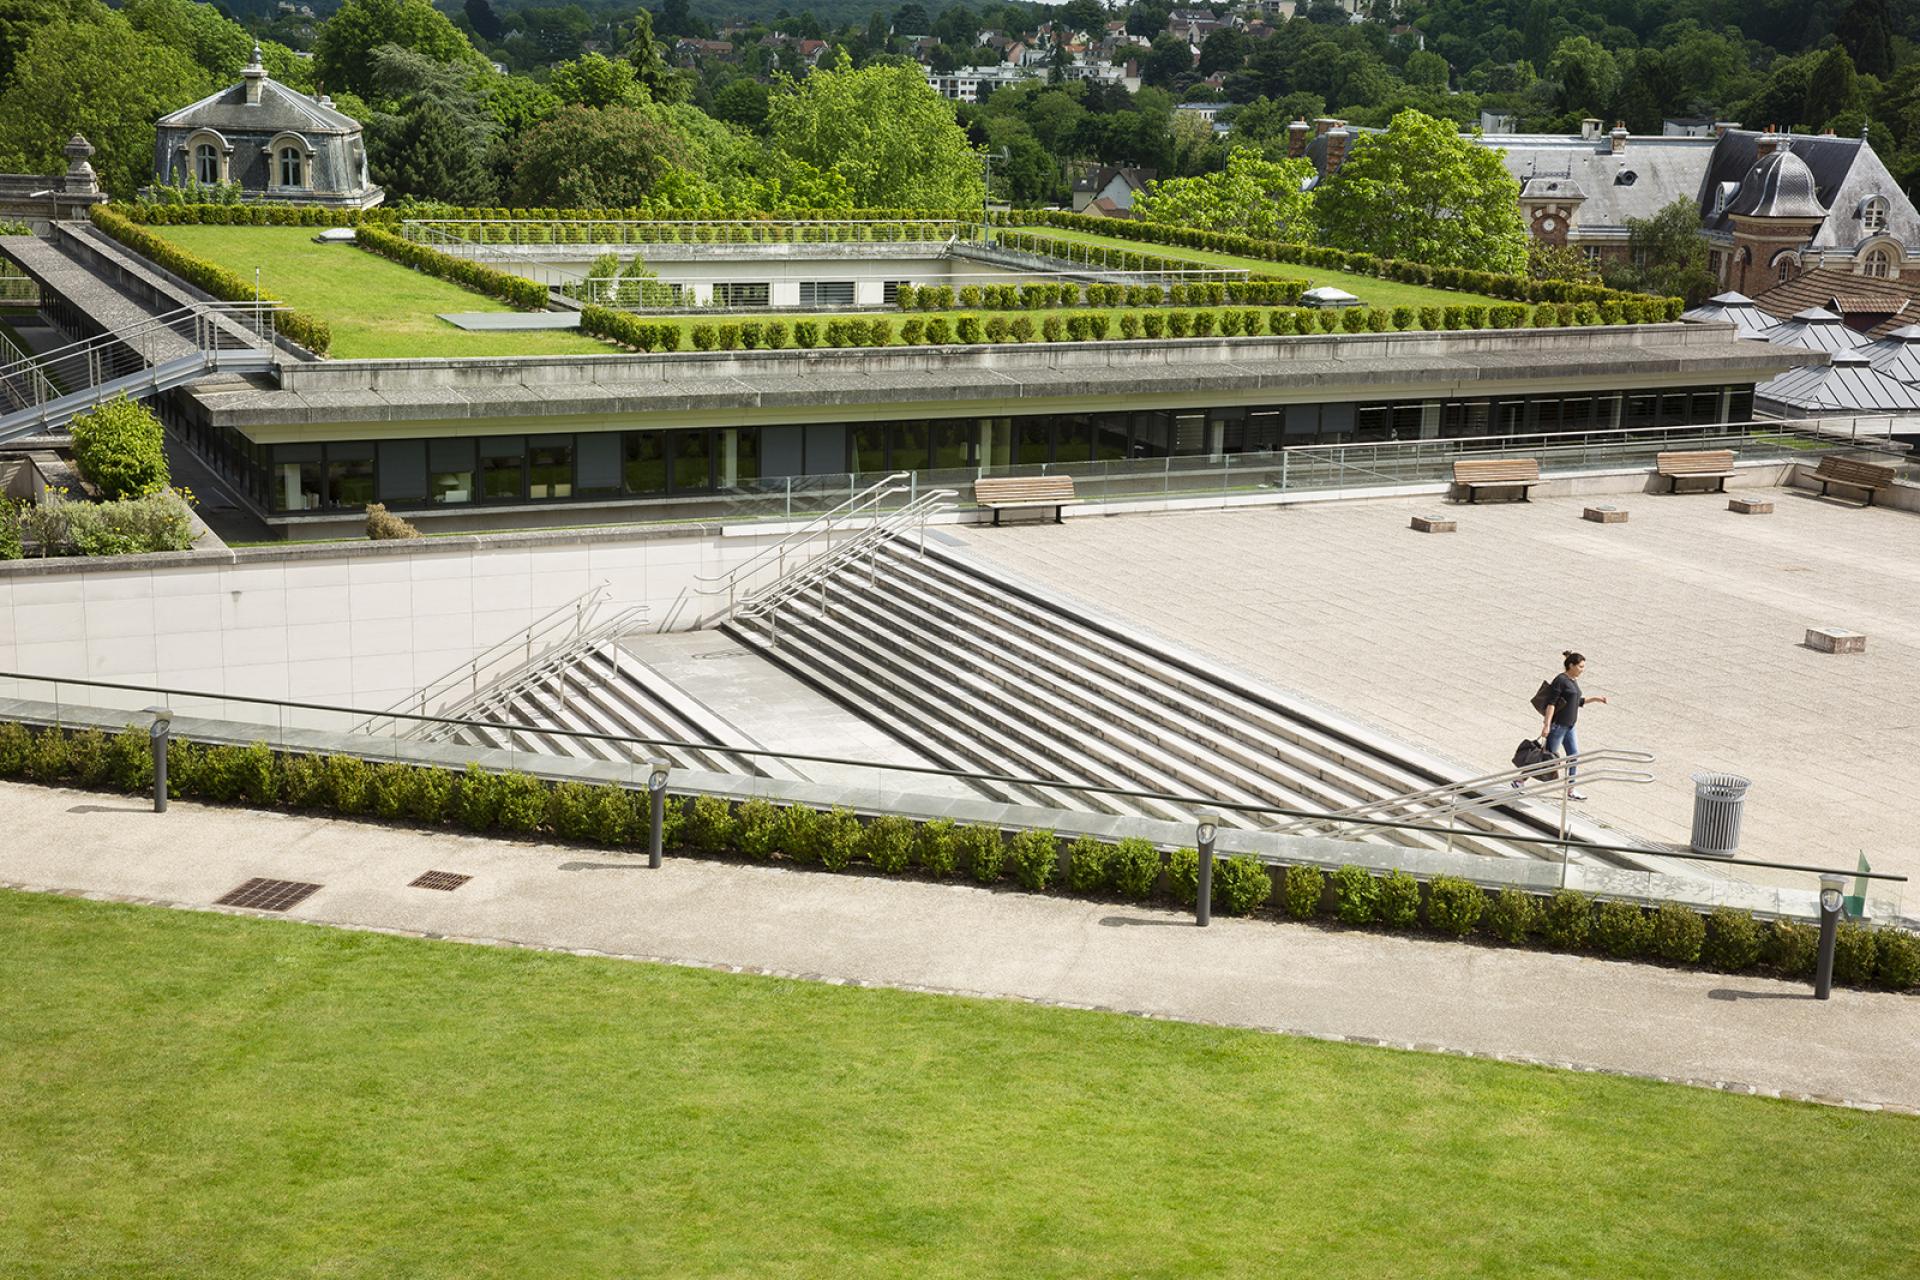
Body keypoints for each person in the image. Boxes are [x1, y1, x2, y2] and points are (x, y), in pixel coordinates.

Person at [1541, 650, 1607, 801]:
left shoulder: (1572, 680)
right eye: (1581, 667)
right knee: (1547, 758)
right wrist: (1546, 725)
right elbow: (1551, 704)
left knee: (1574, 756)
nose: (1582, 670)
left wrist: (1596, 699)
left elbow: (1576, 701)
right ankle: (1519, 781)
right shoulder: (1560, 680)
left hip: (1570, 727)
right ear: (1571, 665)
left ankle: (1570, 789)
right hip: (1558, 727)